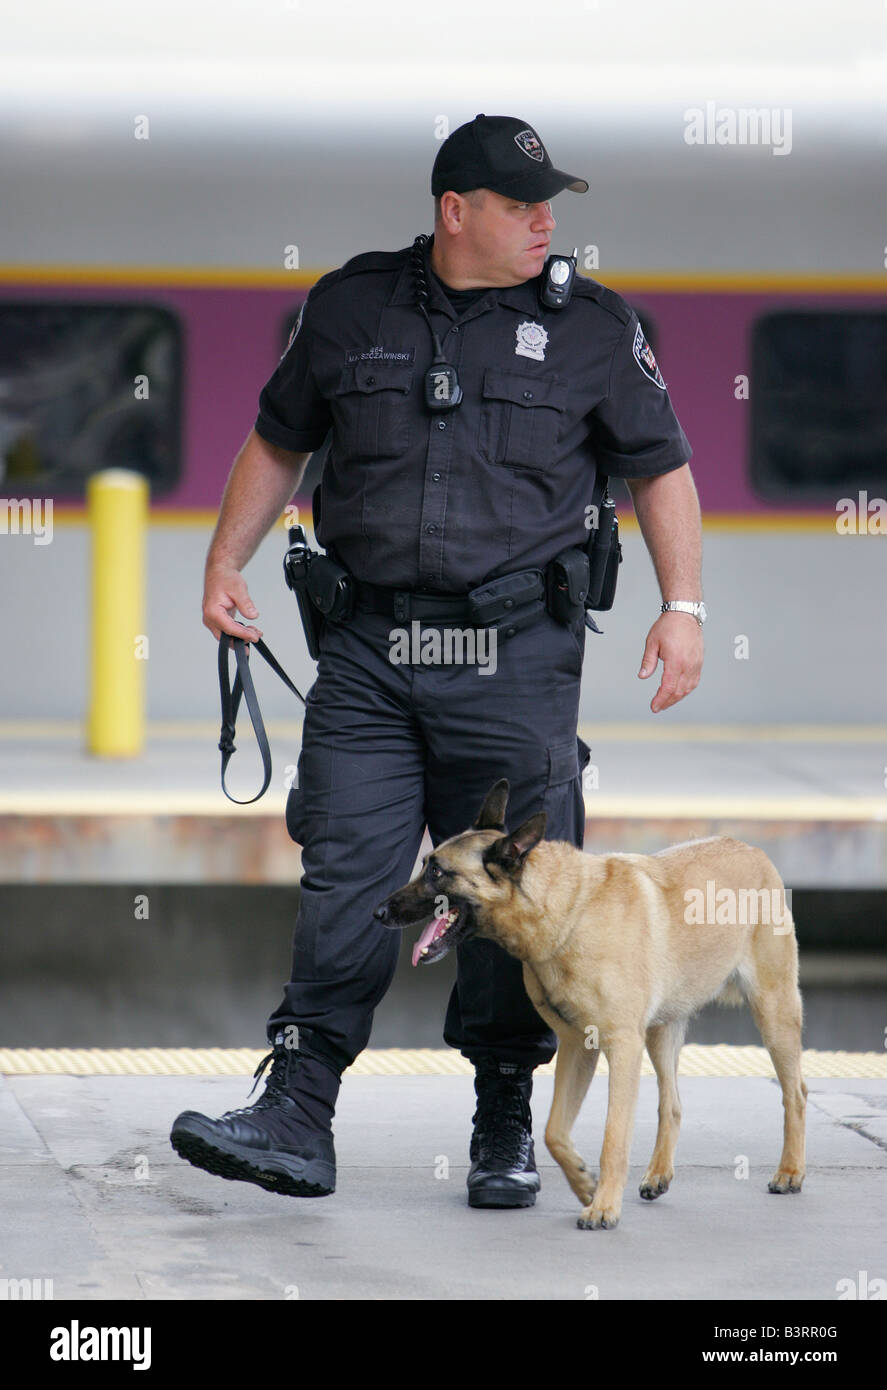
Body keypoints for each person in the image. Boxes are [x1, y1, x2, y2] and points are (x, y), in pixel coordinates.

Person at [170, 114, 704, 1210]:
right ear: (453, 211)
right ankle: (298, 1105)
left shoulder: (595, 327)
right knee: (351, 869)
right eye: (522, 203)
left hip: (514, 655)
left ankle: (504, 1114)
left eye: (549, 202)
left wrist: (682, 605)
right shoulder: (348, 306)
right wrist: (226, 561)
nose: (545, 220)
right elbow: (278, 440)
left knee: (516, 893)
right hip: (369, 649)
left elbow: (659, 467)